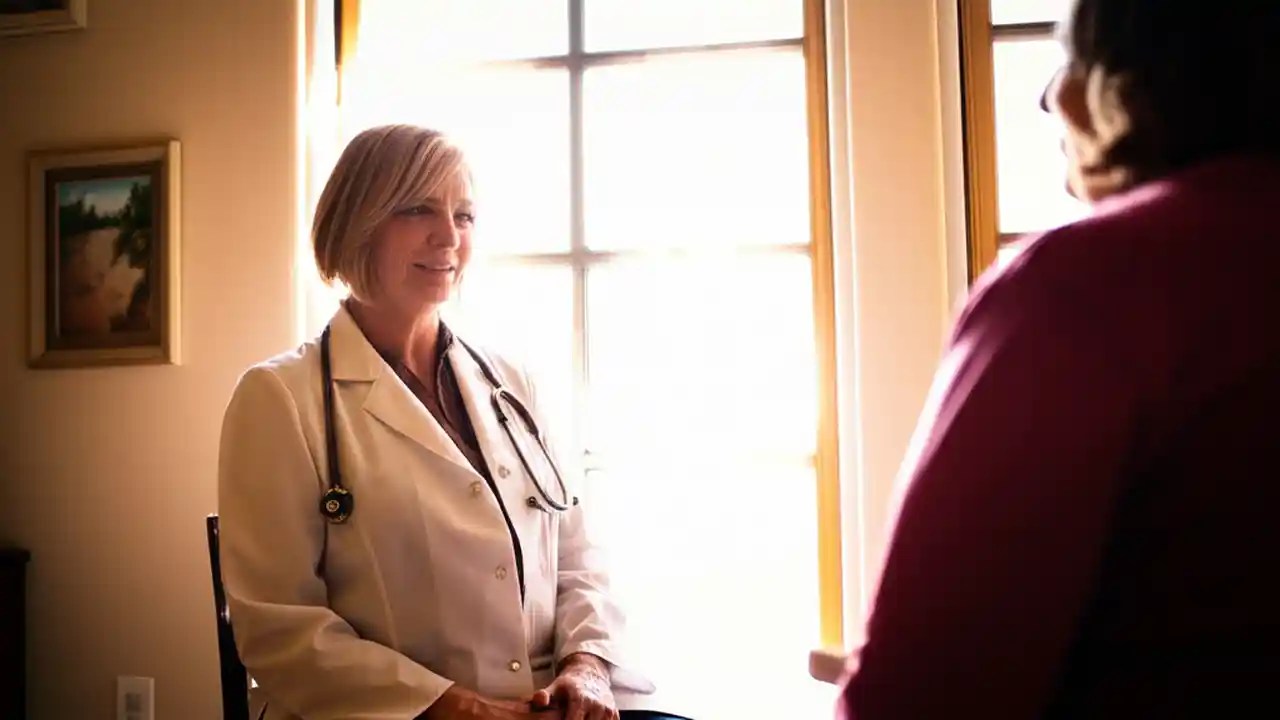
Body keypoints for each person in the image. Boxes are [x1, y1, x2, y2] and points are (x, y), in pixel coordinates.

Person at [837, 1, 1279, 717]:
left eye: (1075, 59)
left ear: (1140, 83)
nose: (1050, 95)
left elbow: (920, 696)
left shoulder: (1087, 287)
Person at [218, 124, 667, 720]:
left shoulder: (514, 384)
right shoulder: (279, 398)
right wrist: (457, 708)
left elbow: (578, 556)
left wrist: (586, 667)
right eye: (417, 210)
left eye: (465, 215)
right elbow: (279, 628)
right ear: (357, 223)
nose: (448, 236)